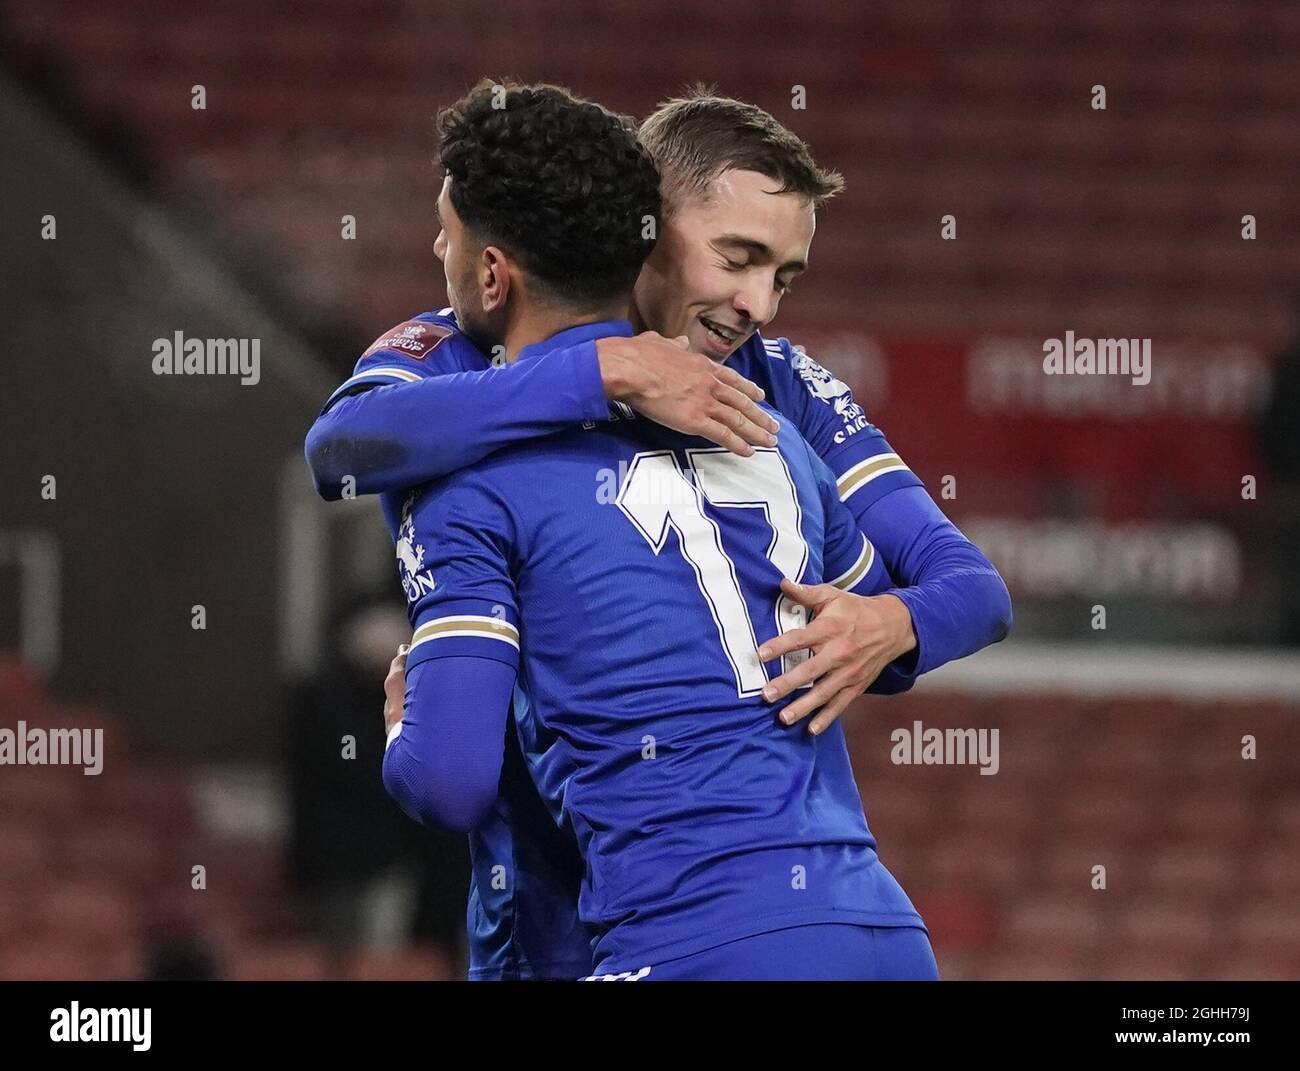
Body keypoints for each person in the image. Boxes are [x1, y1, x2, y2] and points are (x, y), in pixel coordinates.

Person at [305, 85, 1011, 978]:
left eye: (784, 275)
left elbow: (972, 586)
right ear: (650, 226)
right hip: (567, 905)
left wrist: (896, 623)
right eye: (738, 257)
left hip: (658, 921)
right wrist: (605, 372)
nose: (762, 305)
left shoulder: (775, 389)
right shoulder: (463, 347)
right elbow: (341, 447)